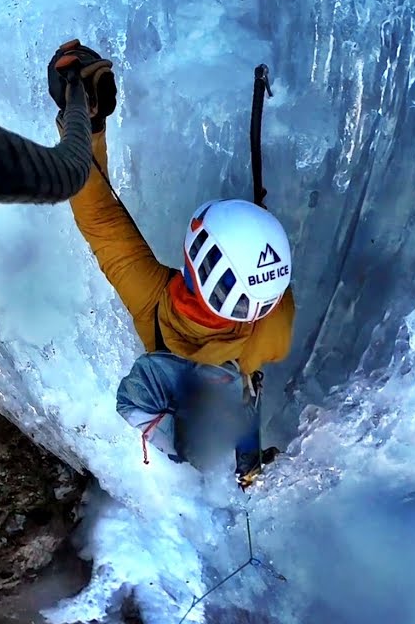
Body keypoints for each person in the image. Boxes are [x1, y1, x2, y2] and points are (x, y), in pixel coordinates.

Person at [47, 40, 296, 488]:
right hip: (228, 383)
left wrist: (85, 125)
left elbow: (97, 214)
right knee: (244, 395)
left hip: (184, 382)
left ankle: (234, 464)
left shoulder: (153, 302)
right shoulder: (274, 329)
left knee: (229, 403)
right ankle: (248, 469)